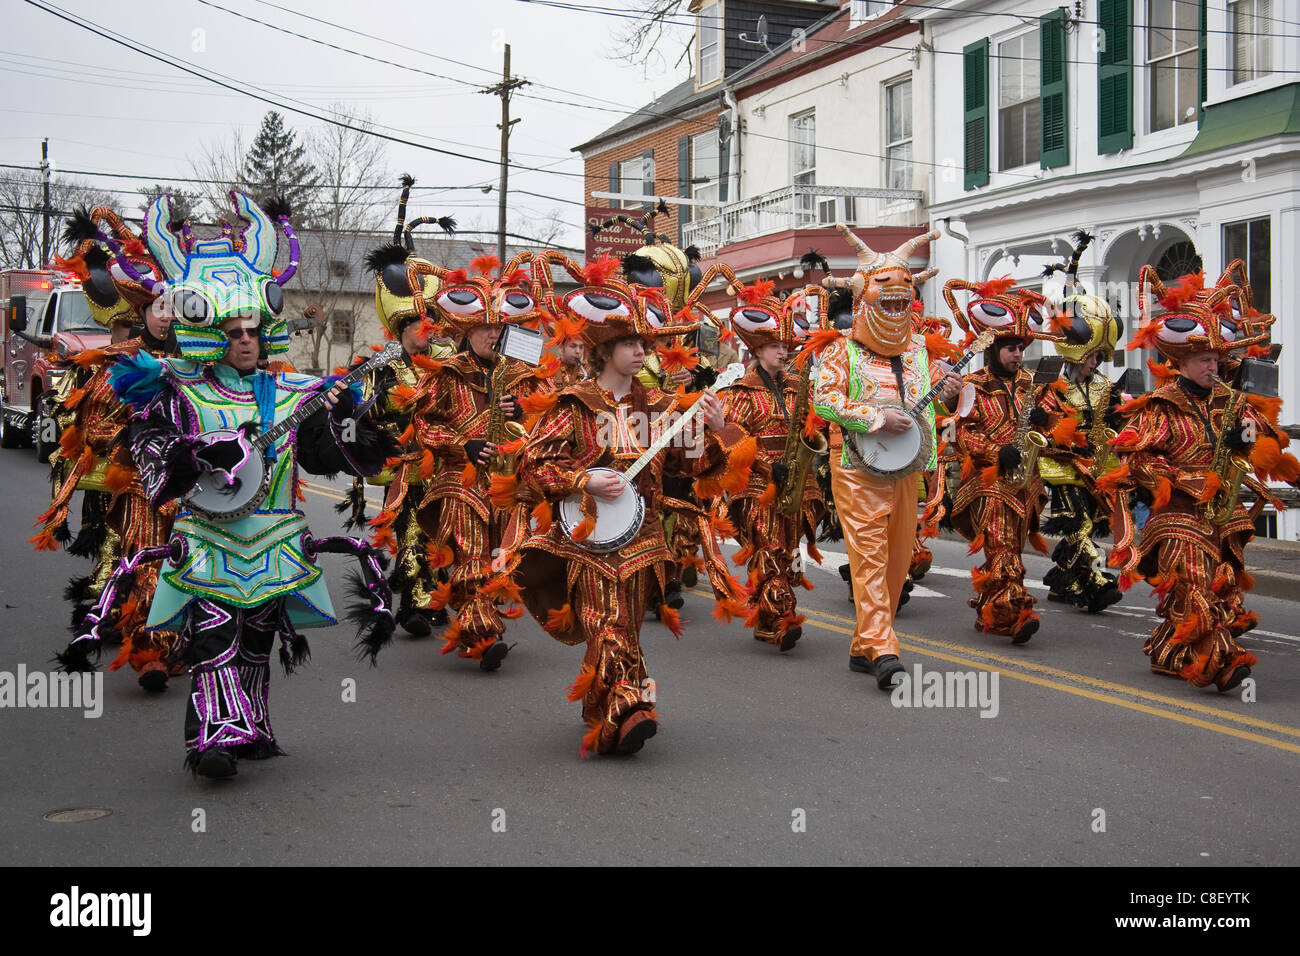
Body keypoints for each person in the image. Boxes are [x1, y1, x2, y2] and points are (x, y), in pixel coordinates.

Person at [57, 191, 393, 779]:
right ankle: (207, 741)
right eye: (233, 330)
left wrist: (350, 418)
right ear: (211, 331)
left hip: (277, 541)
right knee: (214, 637)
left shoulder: (292, 394)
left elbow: (326, 458)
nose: (245, 338)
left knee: (258, 640)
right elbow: (152, 461)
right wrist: (192, 455)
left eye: (251, 329)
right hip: (209, 537)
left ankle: (249, 727)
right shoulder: (178, 392)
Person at [505, 256, 754, 756]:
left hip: (643, 541)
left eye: (646, 344)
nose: (643, 352)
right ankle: (624, 708)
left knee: (626, 626)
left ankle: (606, 708)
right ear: (603, 348)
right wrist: (583, 478)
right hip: (588, 539)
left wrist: (715, 425)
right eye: (631, 344)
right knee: (606, 622)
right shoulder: (574, 405)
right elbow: (532, 467)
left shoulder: (662, 407)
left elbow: (691, 469)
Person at [1106, 266, 1295, 691]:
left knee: (1222, 587)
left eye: (1216, 359)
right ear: (1182, 362)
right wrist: (1183, 480)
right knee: (1195, 587)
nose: (1214, 367)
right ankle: (1219, 663)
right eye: (1205, 360)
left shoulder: (1233, 402)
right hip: (1178, 514)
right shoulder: (1160, 405)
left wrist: (1246, 439)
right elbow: (1136, 459)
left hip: (1223, 514)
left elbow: (1262, 444)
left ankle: (1173, 652)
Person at [35, 206, 182, 691]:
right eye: (158, 307)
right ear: (142, 311)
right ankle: (147, 651)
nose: (166, 316)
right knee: (141, 555)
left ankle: (183, 639)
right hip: (139, 482)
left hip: (196, 486)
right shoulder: (118, 361)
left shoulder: (202, 362)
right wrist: (122, 442)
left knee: (189, 565)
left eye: (174, 308)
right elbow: (91, 420)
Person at [812, 224, 958, 688]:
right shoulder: (842, 351)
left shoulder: (918, 352)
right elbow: (824, 401)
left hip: (907, 469)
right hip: (857, 466)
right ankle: (882, 645)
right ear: (862, 296)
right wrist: (874, 419)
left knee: (897, 560)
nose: (896, 297)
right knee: (870, 556)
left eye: (903, 291)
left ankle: (863, 643)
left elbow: (925, 406)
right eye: (883, 287)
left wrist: (946, 393)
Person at [408, 254, 554, 671]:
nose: (493, 334)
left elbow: (546, 419)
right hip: (462, 480)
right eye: (485, 327)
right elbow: (423, 426)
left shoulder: (522, 373)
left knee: (500, 555)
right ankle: (482, 631)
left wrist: (520, 411)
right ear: (468, 330)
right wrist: (463, 443)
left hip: (508, 483)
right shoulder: (447, 373)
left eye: (498, 327)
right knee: (471, 552)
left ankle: (480, 621)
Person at [346, 178, 458, 638]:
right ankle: (418, 603)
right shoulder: (378, 366)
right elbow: (362, 419)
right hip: (405, 466)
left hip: (446, 465)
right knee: (412, 530)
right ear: (399, 327)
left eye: (429, 323)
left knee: (441, 534)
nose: (424, 331)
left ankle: (428, 591)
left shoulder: (450, 362)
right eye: (415, 324)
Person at [944, 276, 1065, 644]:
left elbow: (1061, 421)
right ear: (992, 350)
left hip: (1026, 483)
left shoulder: (1035, 382)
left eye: (1019, 347)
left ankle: (992, 608)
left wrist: (1049, 421)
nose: (1016, 353)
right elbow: (959, 433)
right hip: (988, 483)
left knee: (1011, 546)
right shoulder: (972, 385)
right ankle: (1013, 611)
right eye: (1009, 347)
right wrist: (998, 452)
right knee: (1001, 546)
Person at [716, 279, 827, 651]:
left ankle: (768, 617)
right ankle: (781, 618)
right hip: (756, 486)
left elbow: (813, 427)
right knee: (768, 547)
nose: (783, 352)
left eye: (786, 346)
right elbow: (731, 438)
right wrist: (766, 466)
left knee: (787, 549)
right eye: (776, 347)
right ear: (759, 349)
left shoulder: (799, 387)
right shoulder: (740, 393)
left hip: (795, 482)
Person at [1037, 232, 1125, 614]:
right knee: (1079, 524)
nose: (1095, 363)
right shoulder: (1051, 383)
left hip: (1098, 469)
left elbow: (1116, 423)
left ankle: (1063, 580)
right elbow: (1037, 428)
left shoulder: (1106, 386)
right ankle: (1096, 582)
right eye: (1091, 357)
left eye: (1098, 357)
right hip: (1063, 467)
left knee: (1089, 521)